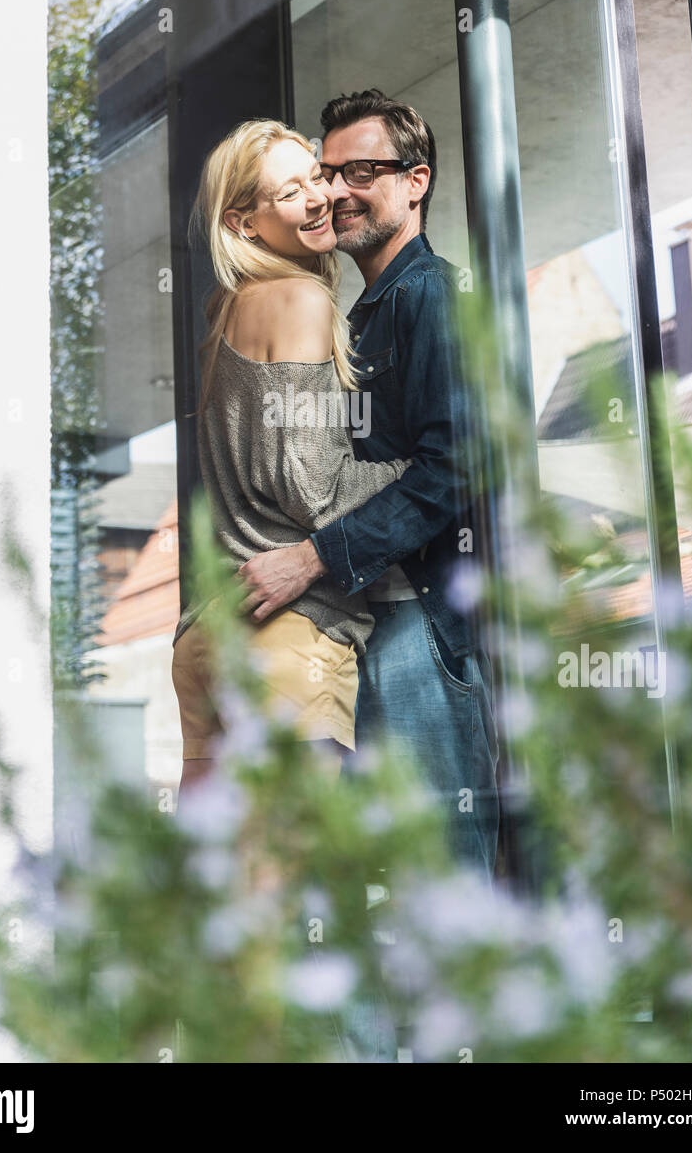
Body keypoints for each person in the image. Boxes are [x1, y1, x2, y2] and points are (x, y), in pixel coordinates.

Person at [238, 90, 500, 875]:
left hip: (414, 627)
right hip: (366, 625)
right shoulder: (359, 315)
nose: (335, 190)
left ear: (414, 181)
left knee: (444, 884)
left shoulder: (430, 295)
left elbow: (455, 466)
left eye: (361, 170)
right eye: (326, 173)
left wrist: (311, 559)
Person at [171, 118, 410, 792]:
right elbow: (314, 488)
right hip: (283, 634)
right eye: (288, 193)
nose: (316, 199)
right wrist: (415, 468)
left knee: (212, 882)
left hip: (207, 635)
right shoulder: (300, 298)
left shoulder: (229, 310)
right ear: (244, 223)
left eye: (314, 177)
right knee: (287, 881)